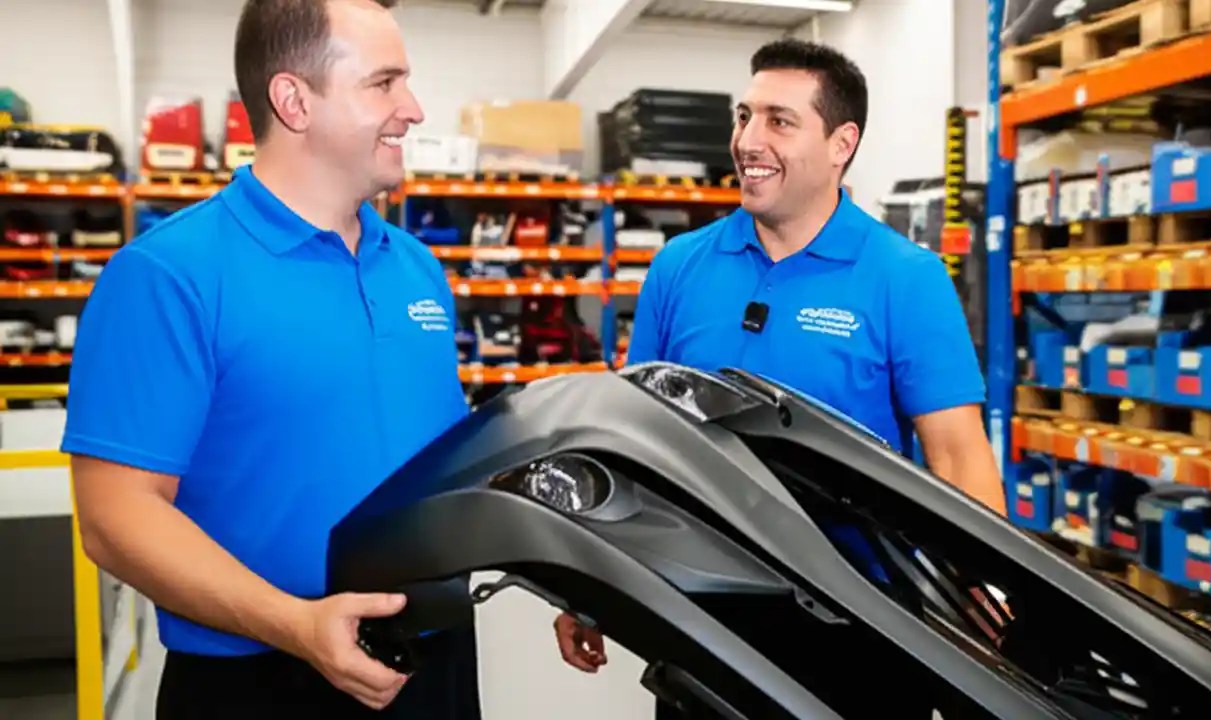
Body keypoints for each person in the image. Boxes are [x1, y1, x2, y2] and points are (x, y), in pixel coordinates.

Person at [551, 38, 1006, 712]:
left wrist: (990, 601)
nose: (748, 140)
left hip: (863, 624)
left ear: (840, 143)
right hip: (704, 617)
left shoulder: (905, 278)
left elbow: (957, 452)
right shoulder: (680, 266)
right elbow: (626, 437)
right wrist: (586, 584)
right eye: (745, 116)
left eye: (779, 121)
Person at [60, 1, 480, 717]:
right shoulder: (169, 275)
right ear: (294, 100)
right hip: (260, 675)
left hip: (432, 660)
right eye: (384, 83)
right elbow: (115, 516)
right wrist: (296, 625)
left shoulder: (415, 267)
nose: (412, 109)